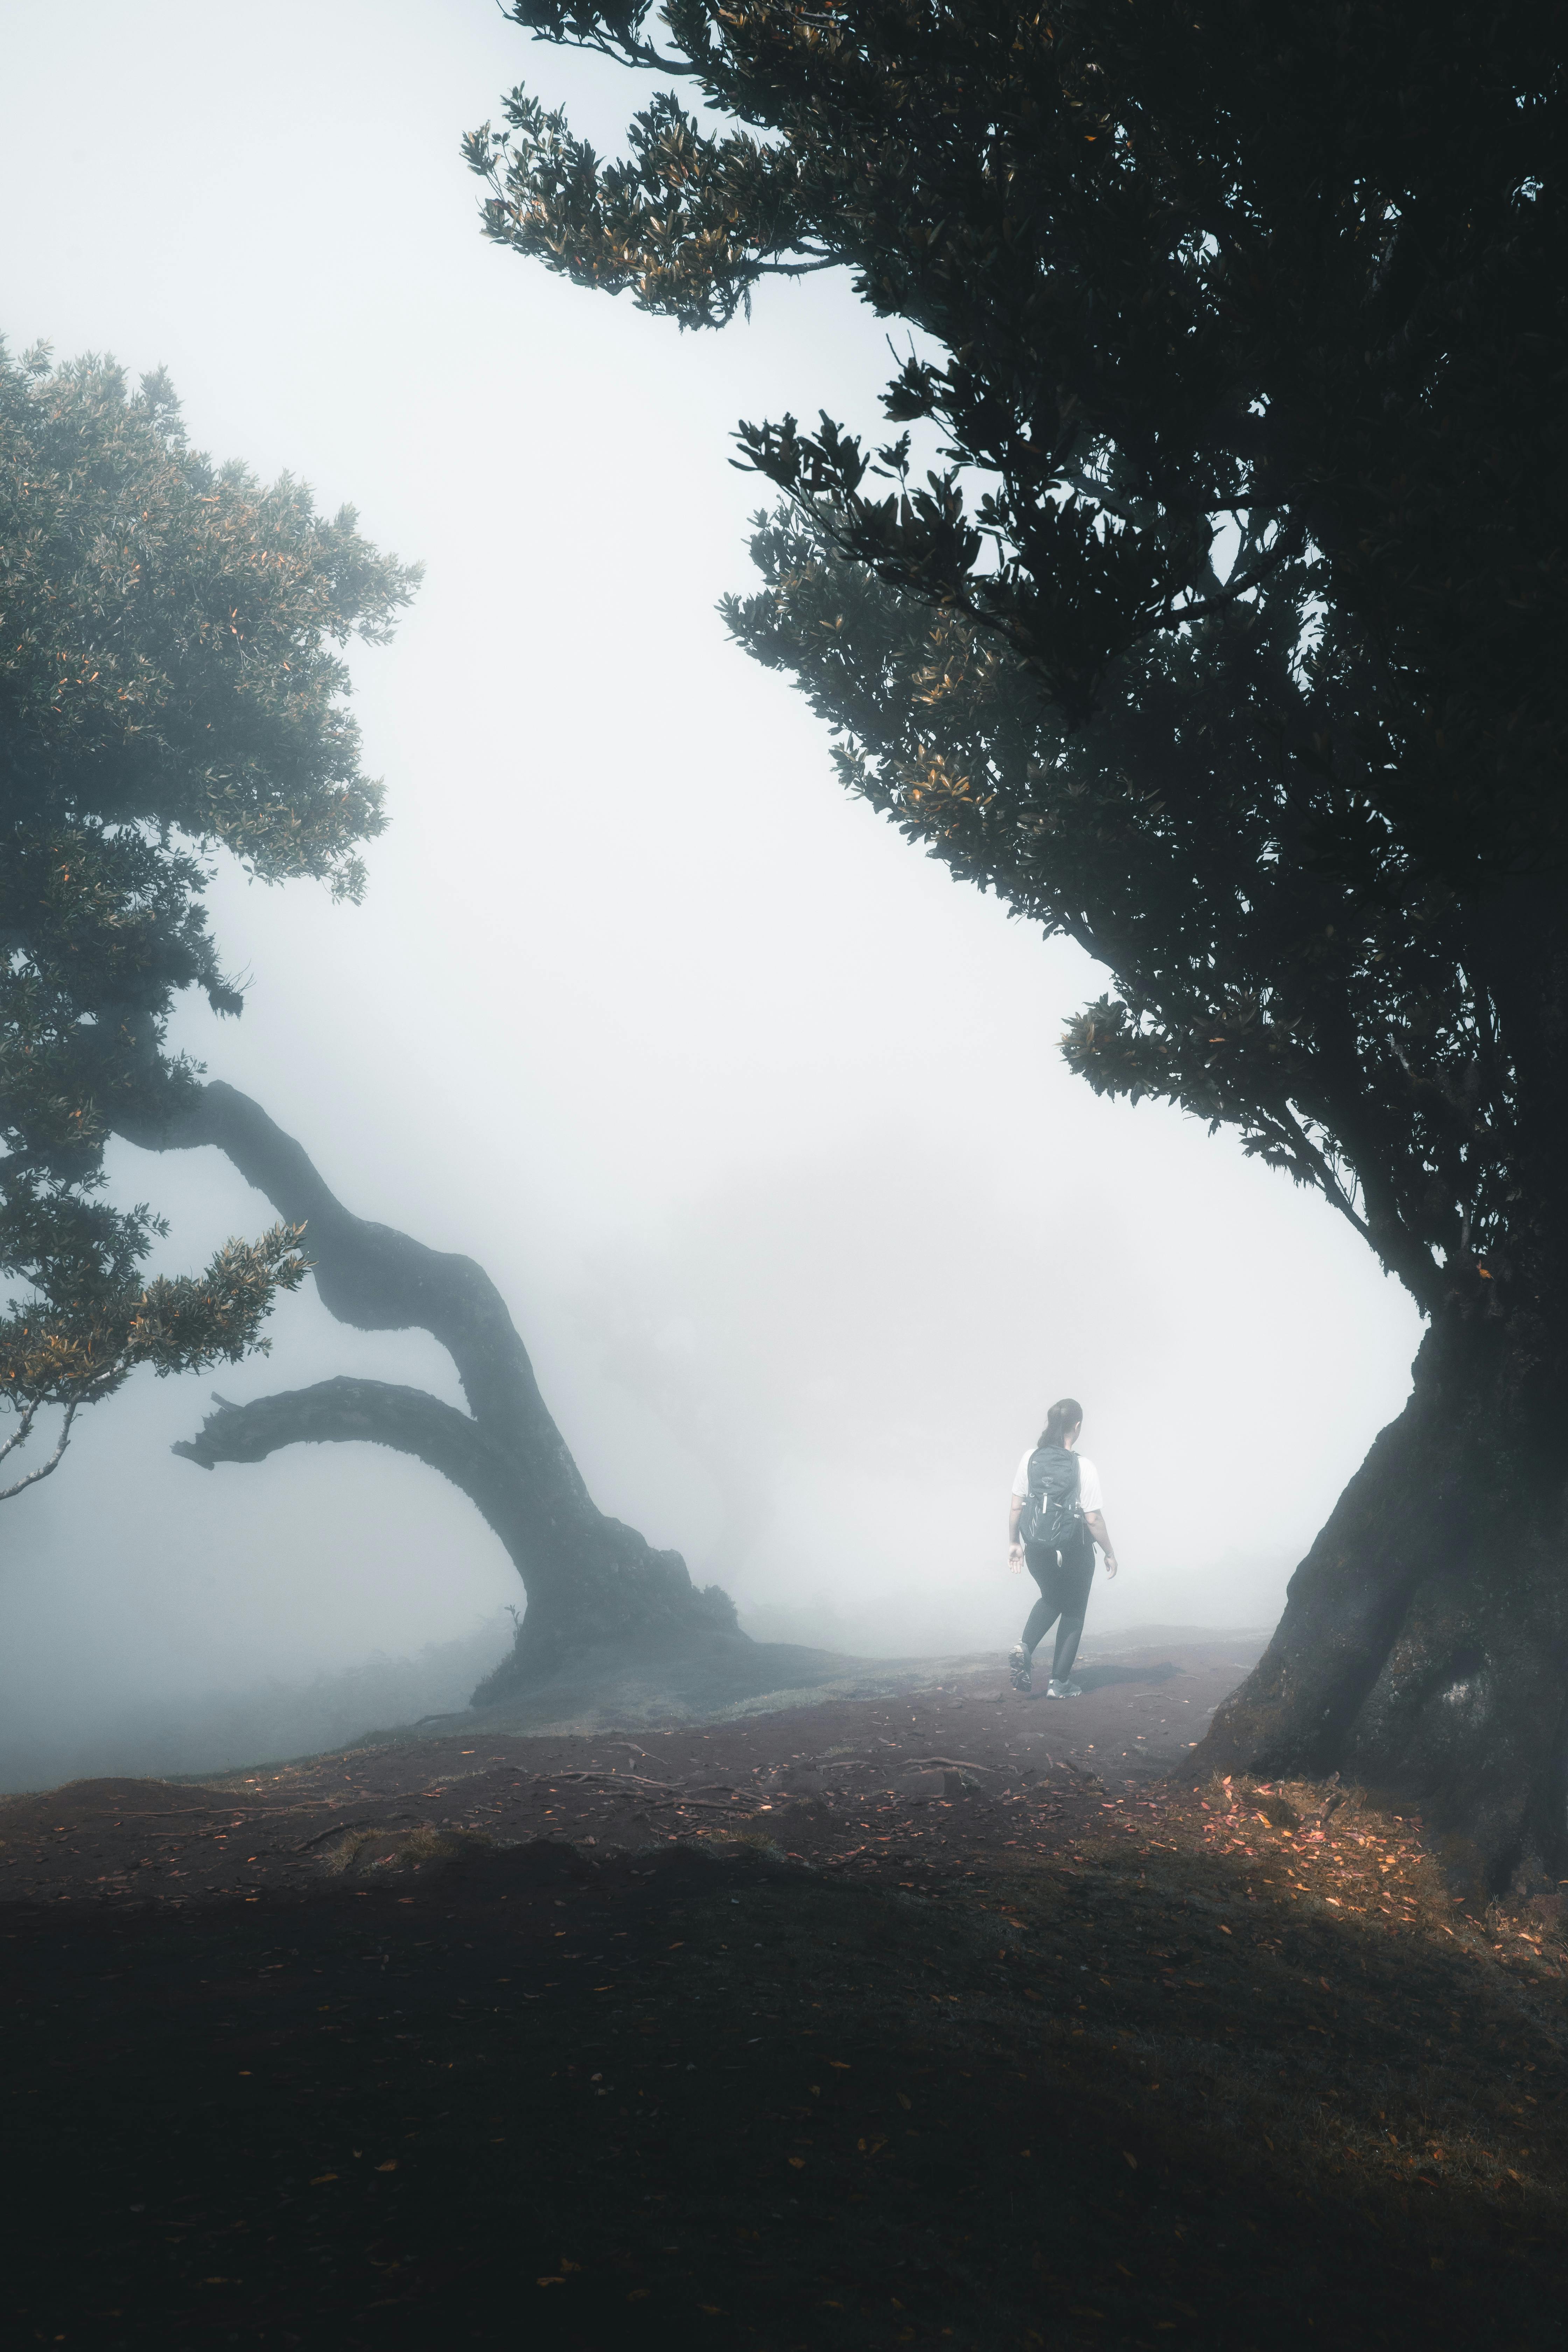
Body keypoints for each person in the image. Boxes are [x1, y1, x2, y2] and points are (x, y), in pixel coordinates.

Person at [1006, 1397, 1118, 1698]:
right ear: (1077, 1427)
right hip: (1075, 1546)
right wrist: (1109, 1552)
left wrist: (1014, 1543)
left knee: (1053, 1597)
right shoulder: (1084, 1466)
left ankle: (1024, 1646)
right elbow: (1093, 1519)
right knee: (1075, 1607)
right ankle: (1059, 1683)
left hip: (1037, 1545)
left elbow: (1017, 1506)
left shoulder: (1030, 1458)